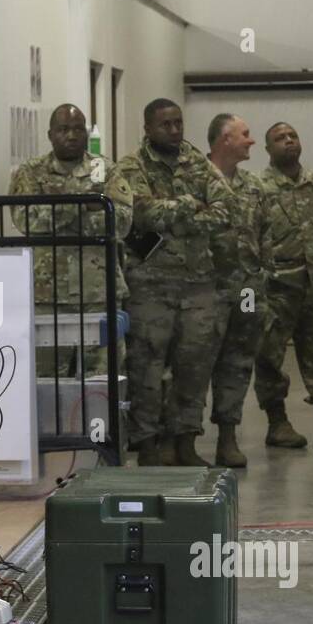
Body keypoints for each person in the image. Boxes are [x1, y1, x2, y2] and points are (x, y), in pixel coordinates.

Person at [111, 98, 226, 467]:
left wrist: (171, 212)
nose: (174, 131)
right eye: (166, 125)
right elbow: (136, 213)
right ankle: (147, 443)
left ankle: (185, 442)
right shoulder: (130, 166)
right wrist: (190, 207)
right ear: (148, 128)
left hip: (199, 285)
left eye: (178, 123)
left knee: (194, 365)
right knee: (146, 366)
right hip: (149, 286)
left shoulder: (199, 163)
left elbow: (227, 210)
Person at [8, 103, 131, 378]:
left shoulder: (105, 169)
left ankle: (99, 425)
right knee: (46, 380)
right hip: (47, 293)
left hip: (98, 291)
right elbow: (27, 221)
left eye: (78, 129)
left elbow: (121, 222)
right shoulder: (31, 172)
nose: (71, 136)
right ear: (50, 134)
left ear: (86, 134)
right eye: (63, 129)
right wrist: (85, 205)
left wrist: (55, 209)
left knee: (101, 379)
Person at [254, 122, 313, 449]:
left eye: (293, 135)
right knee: (269, 357)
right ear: (268, 149)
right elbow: (249, 235)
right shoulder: (258, 187)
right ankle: (277, 422)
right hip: (276, 287)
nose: (289, 141)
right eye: (279, 138)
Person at [202, 114, 268, 467]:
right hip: (204, 289)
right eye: (245, 134)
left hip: (246, 289)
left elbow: (265, 235)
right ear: (224, 139)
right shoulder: (194, 180)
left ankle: (227, 438)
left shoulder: (254, 186)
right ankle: (181, 441)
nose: (251, 141)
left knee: (237, 364)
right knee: (194, 366)